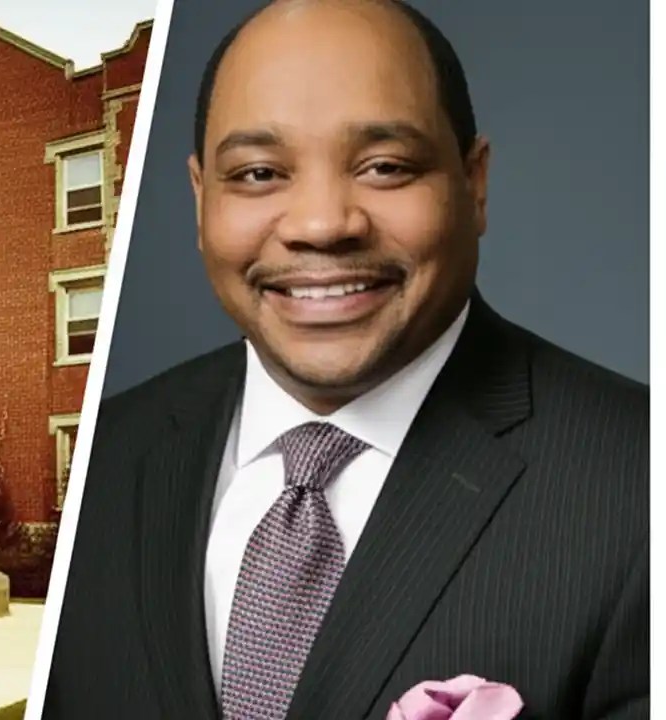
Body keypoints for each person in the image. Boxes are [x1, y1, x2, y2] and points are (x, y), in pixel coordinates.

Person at [42, 1, 648, 718]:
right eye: (261, 173)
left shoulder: (641, 488)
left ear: (474, 183)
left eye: (386, 166)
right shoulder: (108, 456)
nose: (323, 224)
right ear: (200, 199)